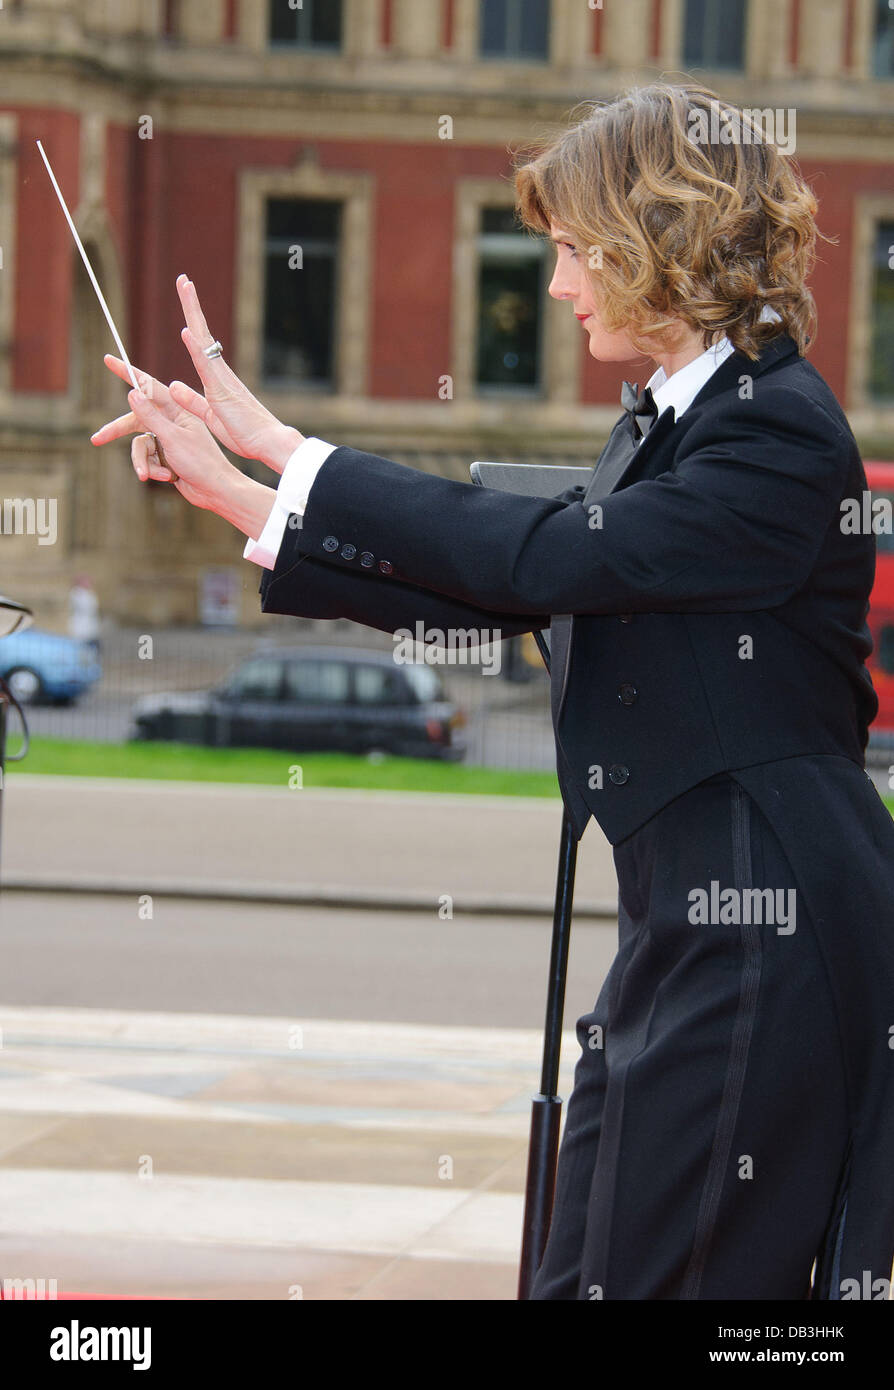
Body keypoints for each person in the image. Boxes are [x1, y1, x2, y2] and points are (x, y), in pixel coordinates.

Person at [90, 81, 894, 1301]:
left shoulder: (776, 433)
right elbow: (519, 595)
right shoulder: (668, 427)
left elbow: (542, 556)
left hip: (768, 933)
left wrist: (292, 449)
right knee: (580, 1270)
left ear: (652, 237)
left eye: (573, 250)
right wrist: (247, 501)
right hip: (687, 923)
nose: (561, 284)